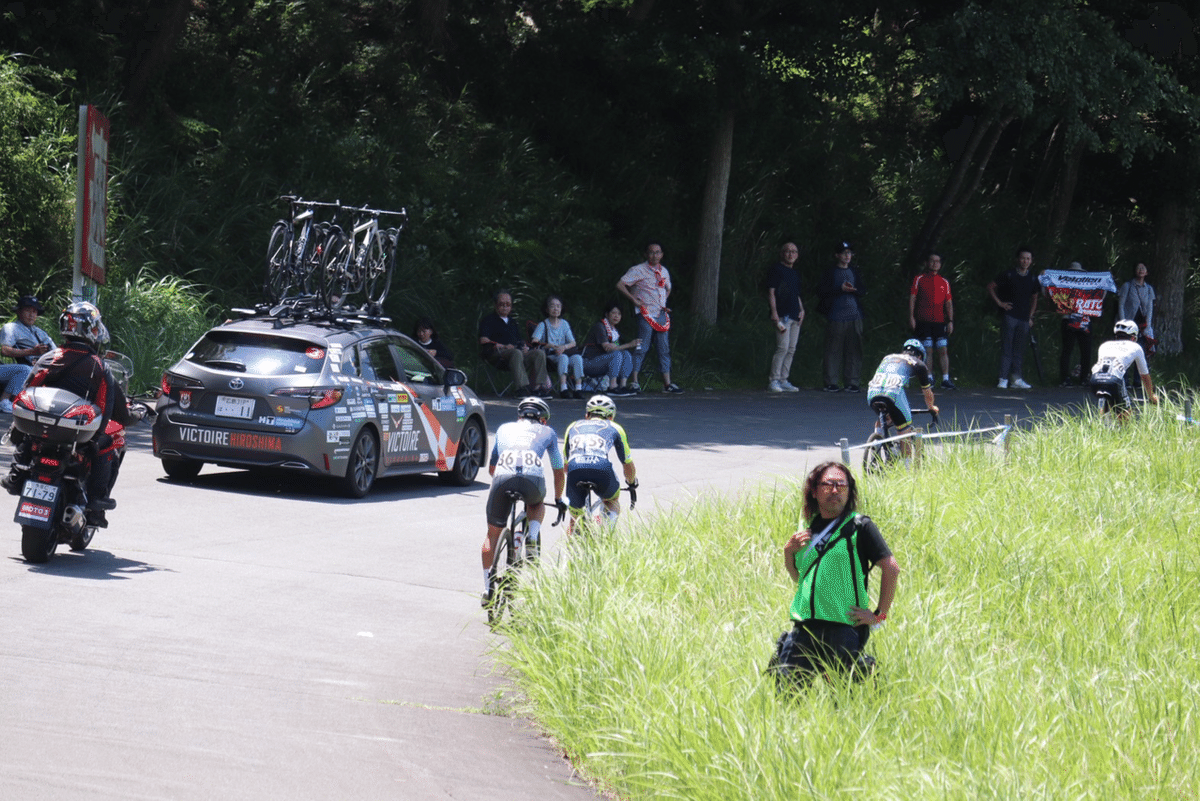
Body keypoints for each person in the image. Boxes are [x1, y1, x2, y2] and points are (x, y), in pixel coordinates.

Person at [1, 302, 143, 527]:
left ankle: (16, 476)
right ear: (91, 331)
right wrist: (104, 433)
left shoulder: (48, 357)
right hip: (76, 435)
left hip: (41, 430)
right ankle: (96, 504)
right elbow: (106, 408)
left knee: (27, 438)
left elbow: (27, 391)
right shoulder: (99, 367)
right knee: (108, 443)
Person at [772, 461, 899, 689]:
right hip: (805, 626)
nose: (834, 491)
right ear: (814, 490)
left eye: (841, 485)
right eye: (828, 484)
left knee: (842, 698)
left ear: (849, 492)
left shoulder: (860, 526)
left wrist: (879, 615)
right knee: (787, 695)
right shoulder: (807, 527)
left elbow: (891, 567)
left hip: (843, 628)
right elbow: (801, 579)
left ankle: (868, 672)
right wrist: (788, 553)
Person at [480, 396, 566, 606]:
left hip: (502, 477)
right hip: (532, 478)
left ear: (519, 416)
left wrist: (508, 482)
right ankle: (533, 536)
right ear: (543, 419)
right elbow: (558, 468)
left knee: (492, 535)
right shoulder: (549, 432)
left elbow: (492, 468)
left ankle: (487, 588)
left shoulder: (503, 429)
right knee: (537, 504)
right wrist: (558, 497)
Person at [562, 394, 638, 535]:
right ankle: (607, 535)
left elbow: (565, 466)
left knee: (575, 519)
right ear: (611, 416)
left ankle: (572, 550)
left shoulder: (572, 426)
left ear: (587, 414)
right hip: (601, 467)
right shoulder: (615, 427)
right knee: (612, 500)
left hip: (575, 469)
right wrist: (632, 483)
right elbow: (627, 462)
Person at [617, 241, 682, 394]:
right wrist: (633, 300)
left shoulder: (664, 271)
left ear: (662, 254)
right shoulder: (638, 270)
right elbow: (620, 284)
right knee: (641, 347)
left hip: (660, 314)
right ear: (646, 254)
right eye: (651, 252)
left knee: (664, 349)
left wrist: (663, 302)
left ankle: (667, 383)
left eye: (658, 252)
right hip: (645, 314)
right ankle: (634, 382)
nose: (655, 255)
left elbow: (667, 288)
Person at [865, 339, 939, 460]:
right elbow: (927, 393)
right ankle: (907, 468)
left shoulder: (888, 357)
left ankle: (876, 449)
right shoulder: (919, 364)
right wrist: (931, 407)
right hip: (893, 394)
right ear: (920, 356)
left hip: (872, 392)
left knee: (884, 418)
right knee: (905, 430)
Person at [478, 289, 552, 398]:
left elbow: (519, 341)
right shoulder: (488, 320)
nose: (505, 306)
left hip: (516, 356)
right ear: (495, 305)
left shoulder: (513, 322)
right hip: (497, 354)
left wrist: (525, 347)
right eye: (501, 304)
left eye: (508, 304)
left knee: (539, 353)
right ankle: (521, 388)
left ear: (511, 306)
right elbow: (483, 340)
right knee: (516, 352)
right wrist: (503, 346)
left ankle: (538, 388)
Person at [816, 240, 867, 392]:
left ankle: (852, 382)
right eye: (844, 253)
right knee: (833, 349)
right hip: (836, 315)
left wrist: (854, 290)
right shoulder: (830, 272)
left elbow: (863, 290)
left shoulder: (854, 271)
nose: (847, 256)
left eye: (849, 253)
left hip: (854, 315)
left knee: (854, 349)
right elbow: (821, 291)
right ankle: (831, 381)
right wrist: (840, 289)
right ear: (837, 255)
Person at [986, 246, 1041, 389]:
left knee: (1019, 348)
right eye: (1023, 258)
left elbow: (1035, 298)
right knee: (1007, 347)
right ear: (1017, 259)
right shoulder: (1008, 274)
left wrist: (1031, 316)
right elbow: (991, 286)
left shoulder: (1033, 278)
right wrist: (1000, 303)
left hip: (1024, 317)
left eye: (1028, 259)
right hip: (1010, 315)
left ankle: (1017, 379)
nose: (1025, 261)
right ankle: (1003, 378)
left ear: (1031, 261)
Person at [1088, 319, 1158, 419]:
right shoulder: (1136, 346)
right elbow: (1144, 375)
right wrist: (1151, 396)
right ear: (1133, 337)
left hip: (1095, 379)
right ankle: (1123, 432)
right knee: (1125, 411)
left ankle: (1102, 426)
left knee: (1106, 404)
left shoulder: (1104, 345)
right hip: (1114, 380)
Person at [908, 251, 956, 390]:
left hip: (940, 321)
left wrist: (950, 320)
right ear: (927, 263)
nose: (935, 263)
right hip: (923, 320)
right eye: (932, 261)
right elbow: (912, 298)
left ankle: (946, 379)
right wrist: (911, 317)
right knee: (927, 350)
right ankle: (929, 377)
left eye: (938, 261)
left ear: (940, 264)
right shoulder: (919, 279)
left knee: (943, 349)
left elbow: (948, 302)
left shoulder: (944, 282)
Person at [0, 295, 55, 414]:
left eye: (34, 311)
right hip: (19, 368)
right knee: (25, 369)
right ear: (19, 311)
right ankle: (4, 400)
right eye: (28, 311)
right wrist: (32, 352)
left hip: (35, 367)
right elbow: (4, 350)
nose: (31, 315)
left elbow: (55, 351)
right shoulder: (11, 327)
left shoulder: (40, 332)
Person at [766, 242, 805, 392]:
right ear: (782, 253)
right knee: (782, 347)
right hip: (782, 315)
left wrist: (802, 309)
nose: (791, 254)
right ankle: (774, 380)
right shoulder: (776, 270)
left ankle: (784, 379)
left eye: (794, 251)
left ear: (797, 255)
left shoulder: (795, 273)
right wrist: (774, 312)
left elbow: (797, 294)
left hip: (795, 314)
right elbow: (771, 292)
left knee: (791, 348)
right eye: (787, 251)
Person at [531, 294, 585, 399]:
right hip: (550, 356)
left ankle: (578, 389)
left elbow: (573, 342)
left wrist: (563, 347)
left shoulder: (564, 324)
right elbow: (534, 341)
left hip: (563, 352)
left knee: (577, 358)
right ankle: (563, 388)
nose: (555, 308)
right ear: (547, 309)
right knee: (563, 358)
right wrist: (548, 345)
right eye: (552, 306)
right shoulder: (543, 324)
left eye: (558, 306)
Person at [580, 301, 640, 396]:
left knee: (626, 354)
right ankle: (612, 386)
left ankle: (622, 386)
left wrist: (622, 347)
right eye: (613, 313)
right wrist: (629, 344)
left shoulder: (615, 331)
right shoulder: (600, 327)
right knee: (617, 354)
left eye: (619, 314)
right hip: (589, 362)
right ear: (607, 314)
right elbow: (608, 348)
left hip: (604, 362)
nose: (616, 316)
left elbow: (616, 348)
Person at [1056, 262, 1093, 386]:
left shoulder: (1088, 285)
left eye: (1078, 272)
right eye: (1073, 272)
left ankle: (1083, 378)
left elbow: (1100, 296)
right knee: (1067, 349)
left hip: (1084, 320)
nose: (1076, 274)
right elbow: (1051, 295)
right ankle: (1064, 378)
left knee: (1086, 351)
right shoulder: (1062, 285)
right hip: (1068, 318)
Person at [1117, 262, 1156, 356]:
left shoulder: (1149, 289)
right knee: (1125, 352)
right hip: (1128, 322)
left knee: (1141, 352)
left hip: (1142, 325)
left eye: (1143, 268)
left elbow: (1150, 309)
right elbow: (1121, 305)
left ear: (1146, 272)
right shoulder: (1127, 286)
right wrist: (1123, 323)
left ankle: (1139, 371)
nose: (1141, 270)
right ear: (1135, 271)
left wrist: (1148, 326)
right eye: (1139, 268)